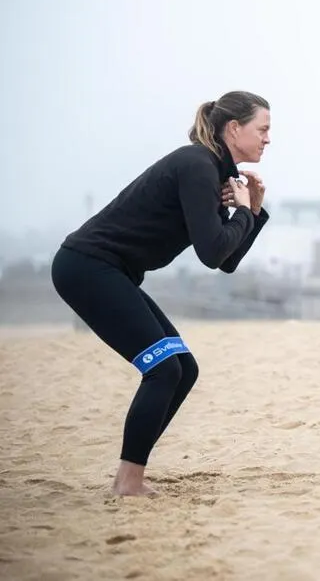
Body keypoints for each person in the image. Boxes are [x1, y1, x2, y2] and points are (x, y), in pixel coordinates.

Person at [50, 91, 272, 496]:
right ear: (235, 128)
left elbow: (226, 259)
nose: (268, 138)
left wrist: (251, 212)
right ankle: (128, 482)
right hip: (87, 266)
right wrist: (241, 212)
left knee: (183, 369)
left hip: (111, 271)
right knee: (164, 369)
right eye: (263, 129)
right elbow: (211, 253)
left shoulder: (214, 173)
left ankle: (128, 476)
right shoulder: (196, 165)